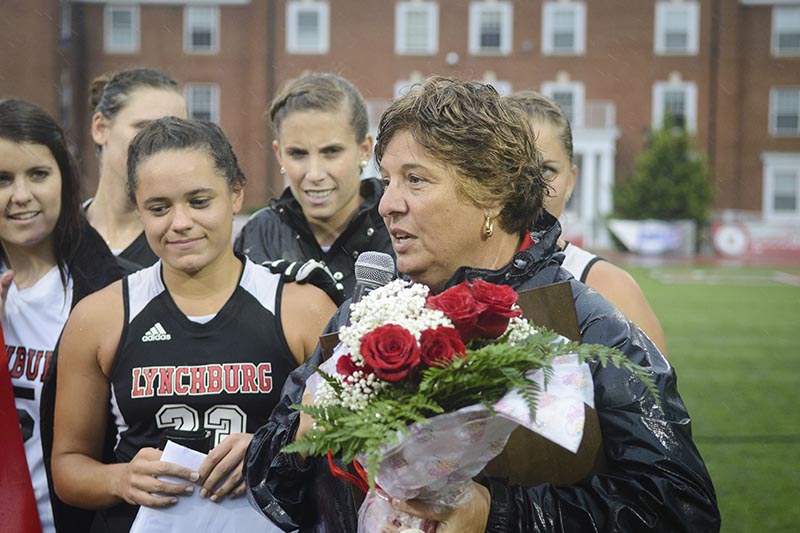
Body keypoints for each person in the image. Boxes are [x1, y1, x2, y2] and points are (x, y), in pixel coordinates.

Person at [245, 77, 720, 532]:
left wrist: (495, 514)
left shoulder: (587, 325)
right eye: (386, 179)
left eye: (415, 179)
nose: (387, 203)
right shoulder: (365, 316)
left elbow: (681, 508)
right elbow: (273, 491)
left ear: (491, 192)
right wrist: (301, 437)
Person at [51, 117, 337, 531]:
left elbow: (349, 445)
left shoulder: (302, 308)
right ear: (137, 207)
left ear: (236, 193)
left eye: (199, 201)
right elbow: (67, 467)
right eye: (159, 207)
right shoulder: (98, 317)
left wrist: (273, 449)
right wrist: (120, 478)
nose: (180, 222)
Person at [0, 99, 122, 532]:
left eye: (38, 174)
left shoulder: (107, 290)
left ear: (65, 180)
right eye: (2, 179)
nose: (21, 196)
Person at [506, 90, 668, 355]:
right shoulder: (445, 276)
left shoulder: (612, 288)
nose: (531, 186)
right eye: (514, 168)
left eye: (546, 170)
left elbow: (653, 393)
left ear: (571, 180)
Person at [234, 72, 394, 299]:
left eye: (331, 152)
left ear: (365, 149)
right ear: (279, 155)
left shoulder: (400, 226)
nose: (315, 174)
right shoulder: (258, 234)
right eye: (298, 154)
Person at [87, 67, 188, 271]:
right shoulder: (57, 236)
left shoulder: (183, 240)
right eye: (145, 128)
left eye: (176, 131)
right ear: (100, 129)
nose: (162, 142)